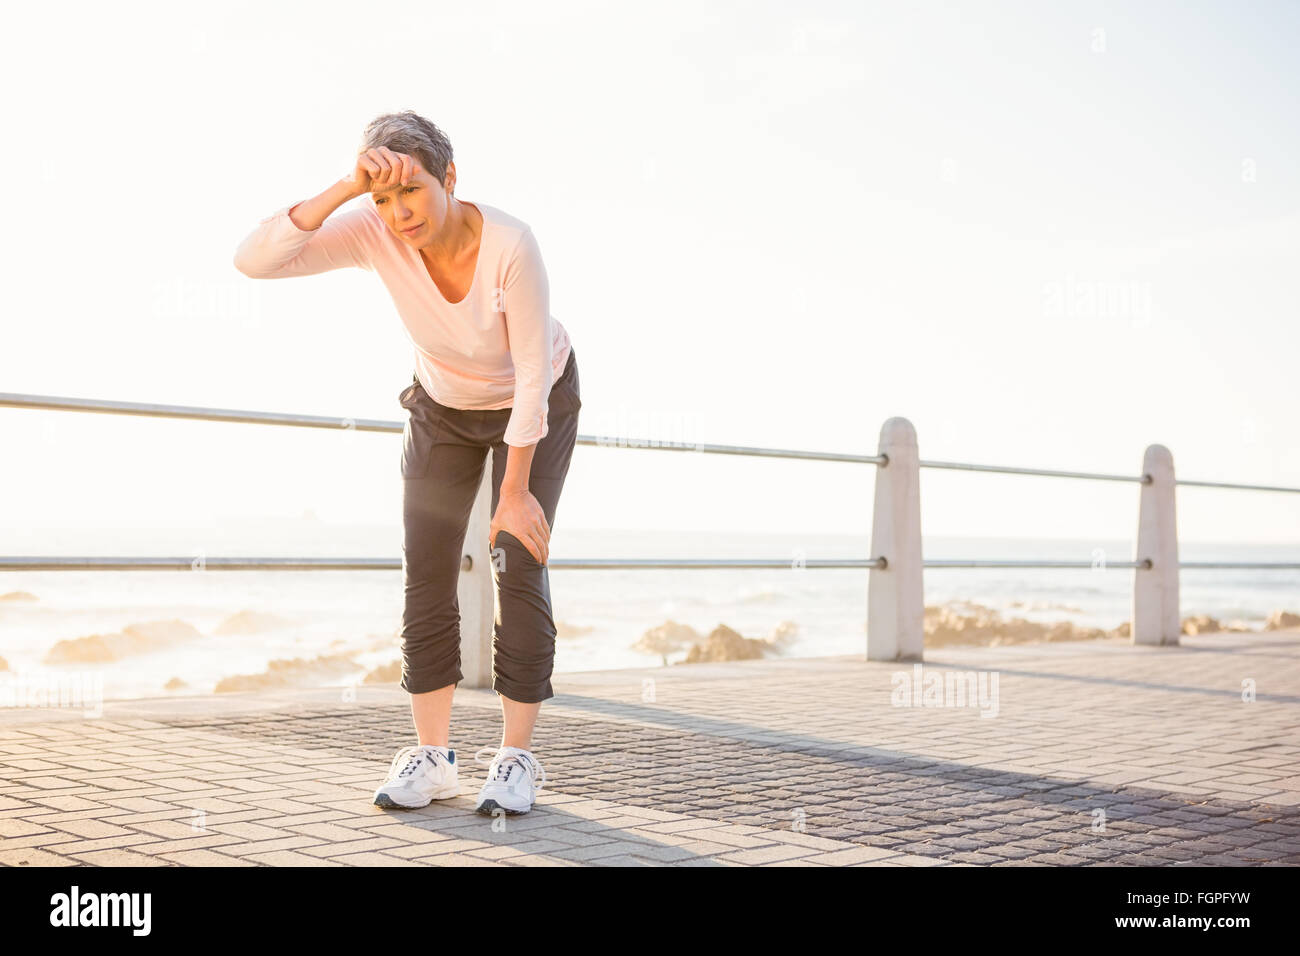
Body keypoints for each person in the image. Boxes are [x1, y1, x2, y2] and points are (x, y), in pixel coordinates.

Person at [233, 110, 581, 815]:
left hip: (535, 395)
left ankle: (515, 760)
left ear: (450, 179)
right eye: (382, 195)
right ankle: (434, 757)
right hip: (442, 407)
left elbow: (529, 376)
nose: (397, 213)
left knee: (517, 558)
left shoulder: (511, 243)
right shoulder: (371, 228)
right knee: (426, 569)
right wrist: (345, 188)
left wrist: (514, 494)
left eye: (411, 190)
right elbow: (254, 259)